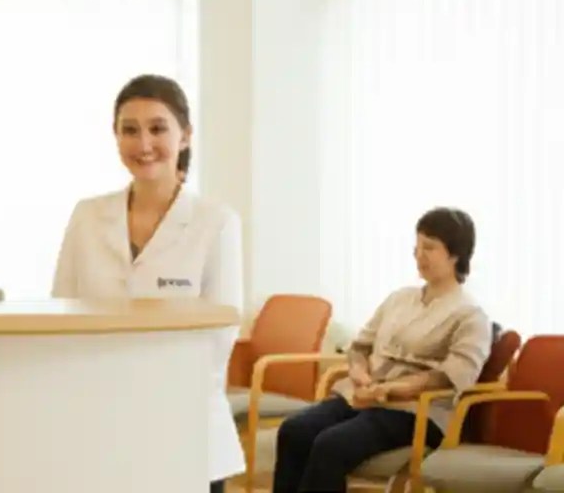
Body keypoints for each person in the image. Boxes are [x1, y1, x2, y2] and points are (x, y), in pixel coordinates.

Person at [52, 74, 244, 493]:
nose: (144, 144)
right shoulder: (87, 216)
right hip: (99, 418)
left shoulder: (216, 222)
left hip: (186, 424)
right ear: (115, 137)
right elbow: (61, 314)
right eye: (130, 129)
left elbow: (220, 333)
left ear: (186, 136)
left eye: (158, 128)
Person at [273, 207, 492, 493]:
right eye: (417, 246)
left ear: (456, 254)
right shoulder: (400, 298)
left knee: (331, 445)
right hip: (363, 396)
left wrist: (390, 390)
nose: (419, 255)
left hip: (415, 411)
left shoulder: (470, 315)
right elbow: (360, 347)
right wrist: (359, 372)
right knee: (293, 431)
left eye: (430, 248)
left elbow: (452, 377)